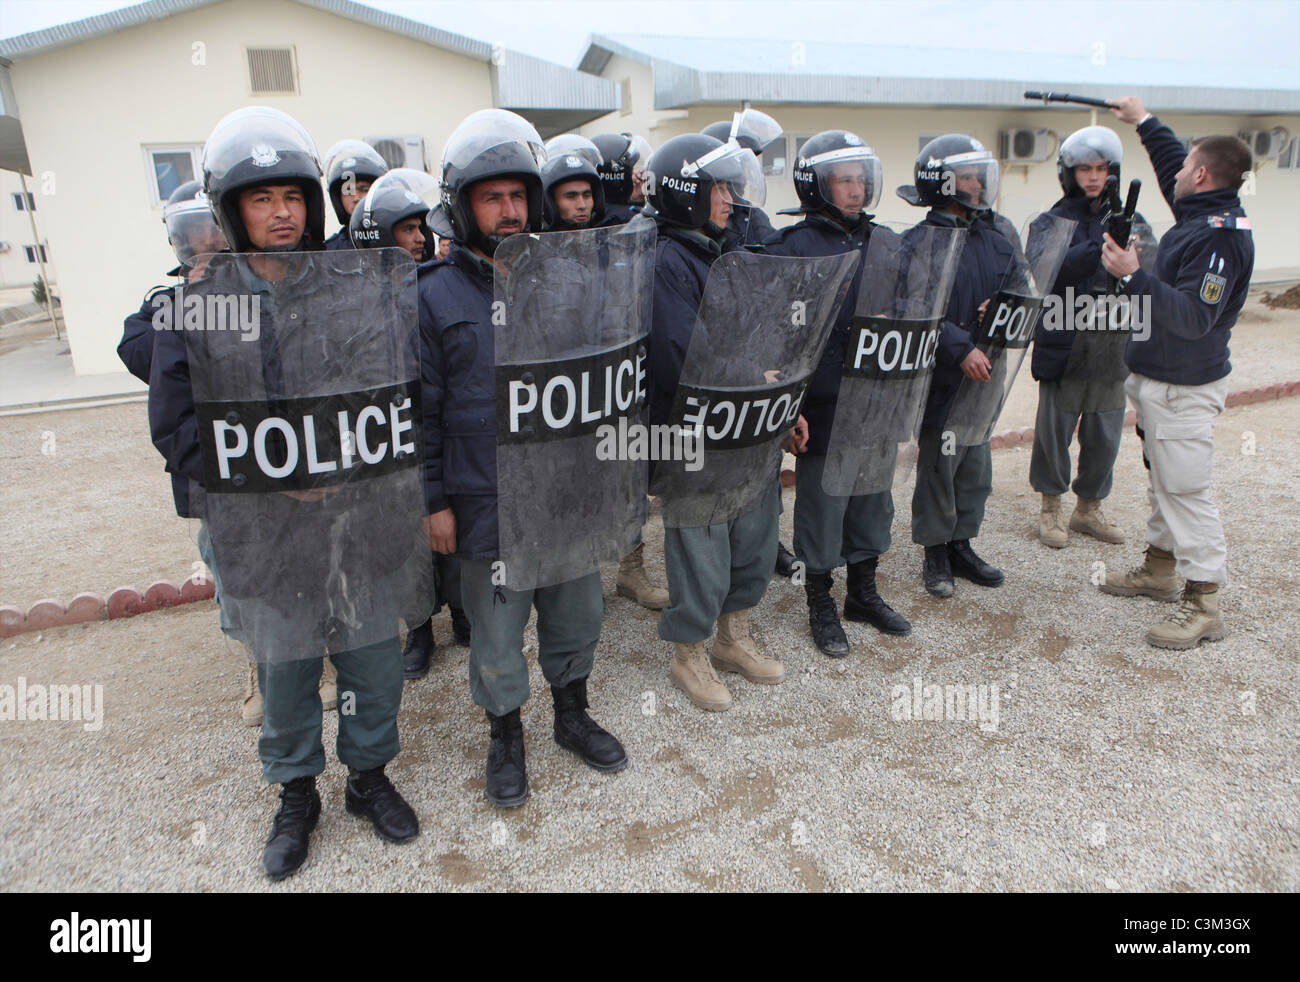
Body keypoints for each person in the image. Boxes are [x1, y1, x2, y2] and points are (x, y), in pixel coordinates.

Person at [150, 106, 421, 879]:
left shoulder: (353, 286)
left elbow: (396, 390)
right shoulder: (194, 304)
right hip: (264, 535)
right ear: (232, 208)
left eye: (292, 198)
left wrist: (347, 467)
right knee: (287, 669)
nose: (281, 214)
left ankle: (368, 778)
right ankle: (295, 792)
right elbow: (177, 426)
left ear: (312, 200)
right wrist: (277, 478)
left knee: (371, 662)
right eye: (261, 199)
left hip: (356, 523)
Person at [418, 109, 628, 808]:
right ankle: (505, 735)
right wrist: (433, 501)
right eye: (491, 198)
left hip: (565, 500)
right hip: (486, 506)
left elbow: (598, 385)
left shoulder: (565, 281)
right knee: (499, 637)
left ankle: (572, 713)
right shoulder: (434, 295)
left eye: (517, 196)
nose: (507, 211)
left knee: (576, 618)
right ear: (464, 207)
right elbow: (420, 410)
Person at [1097, 96, 1254, 650]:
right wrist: (1142, 121)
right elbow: (1170, 166)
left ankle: (1204, 602)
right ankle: (1160, 570)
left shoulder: (1219, 236)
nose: (1176, 173)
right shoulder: (1198, 210)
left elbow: (1192, 318)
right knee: (1165, 478)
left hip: (1184, 387)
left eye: (1187, 167)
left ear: (1204, 175)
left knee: (1186, 489)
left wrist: (1135, 274)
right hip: (1160, 381)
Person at [644, 132, 792, 711]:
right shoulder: (666, 262)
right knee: (702, 545)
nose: (732, 198)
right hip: (697, 430)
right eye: (721, 187)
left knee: (754, 534)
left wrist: (780, 400)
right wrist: (755, 379)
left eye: (733, 186)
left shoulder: (725, 252)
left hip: (749, 424)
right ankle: (689, 652)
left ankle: (733, 637)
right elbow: (682, 350)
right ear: (687, 193)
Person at [763, 130, 911, 658]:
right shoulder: (790, 250)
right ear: (816, 185)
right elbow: (772, 338)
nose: (855, 188)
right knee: (823, 510)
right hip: (821, 405)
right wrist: (787, 407)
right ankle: (820, 603)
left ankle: (863, 593)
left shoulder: (887, 242)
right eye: (843, 179)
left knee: (873, 502)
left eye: (860, 178)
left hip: (877, 399)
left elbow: (911, 310)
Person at [899, 135, 1014, 598]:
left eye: (980, 173)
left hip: (988, 369)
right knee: (940, 464)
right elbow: (915, 304)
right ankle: (935, 550)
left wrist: (1005, 308)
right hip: (942, 373)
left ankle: (963, 543)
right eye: (967, 175)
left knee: (974, 466)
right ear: (943, 183)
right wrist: (959, 346)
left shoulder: (999, 233)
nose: (978, 183)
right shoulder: (918, 242)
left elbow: (1023, 284)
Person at [1029, 125, 1146, 549]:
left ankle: (1088, 509)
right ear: (1069, 172)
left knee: (1104, 435)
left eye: (1101, 168)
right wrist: (1102, 241)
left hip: (1112, 346)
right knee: (1053, 434)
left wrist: (1125, 241)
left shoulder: (1134, 221)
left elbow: (1145, 272)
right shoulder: (1050, 221)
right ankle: (1050, 507)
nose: (1094, 177)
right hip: (1064, 342)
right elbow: (1049, 271)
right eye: (1084, 169)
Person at [702, 108, 781, 250]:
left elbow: (775, 257)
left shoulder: (752, 217)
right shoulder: (694, 220)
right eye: (740, 167)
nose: (745, 176)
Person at [321, 139, 388, 251]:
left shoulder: (398, 241)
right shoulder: (330, 251)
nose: (356, 198)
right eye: (348, 191)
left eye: (364, 189)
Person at [592, 132, 651, 224]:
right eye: (631, 171)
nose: (636, 175)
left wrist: (635, 201)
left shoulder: (586, 216)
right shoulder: (636, 220)